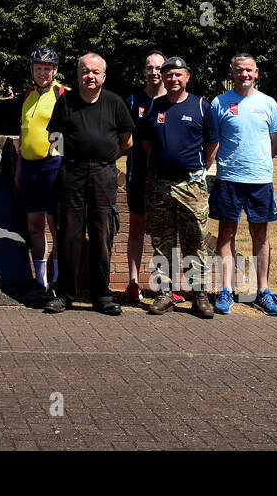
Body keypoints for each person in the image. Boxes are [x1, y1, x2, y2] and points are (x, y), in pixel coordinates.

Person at [42, 53, 134, 316]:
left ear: (103, 76)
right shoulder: (66, 102)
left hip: (104, 176)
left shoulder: (115, 103)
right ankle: (66, 294)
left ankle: (102, 295)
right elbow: (54, 137)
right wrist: (70, 160)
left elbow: (127, 141)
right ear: (78, 74)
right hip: (71, 173)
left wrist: (105, 158)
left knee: (102, 235)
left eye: (95, 72)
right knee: (69, 235)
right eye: (85, 71)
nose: (90, 76)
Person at [139, 57, 219, 318]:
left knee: (195, 241)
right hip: (161, 184)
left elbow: (212, 145)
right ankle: (164, 293)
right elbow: (147, 142)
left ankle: (199, 295)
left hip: (191, 186)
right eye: (169, 75)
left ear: (187, 77)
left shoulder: (201, 106)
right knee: (162, 241)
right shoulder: (155, 107)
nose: (173, 79)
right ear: (163, 78)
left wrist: (197, 169)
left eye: (178, 75)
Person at [209, 53, 277, 315]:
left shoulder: (268, 103)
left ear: (256, 72)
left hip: (260, 179)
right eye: (239, 70)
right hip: (229, 178)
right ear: (231, 72)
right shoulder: (219, 102)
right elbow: (213, 140)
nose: (244, 74)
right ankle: (225, 290)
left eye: (249, 70)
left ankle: (262, 291)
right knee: (226, 234)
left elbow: (276, 140)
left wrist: (259, 161)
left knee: (261, 236)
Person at [15, 47, 66, 299]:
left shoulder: (61, 93)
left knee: (55, 226)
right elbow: (25, 133)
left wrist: (59, 157)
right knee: (34, 225)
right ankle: (40, 279)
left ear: (55, 70)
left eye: (47, 68)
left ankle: (57, 280)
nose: (42, 72)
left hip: (52, 166)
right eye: (38, 68)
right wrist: (19, 166)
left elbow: (66, 130)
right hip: (29, 167)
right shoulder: (27, 94)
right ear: (32, 70)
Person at [122, 50, 167, 305]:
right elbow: (123, 138)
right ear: (143, 72)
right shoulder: (131, 101)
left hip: (166, 177)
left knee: (165, 232)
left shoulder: (174, 101)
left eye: (158, 67)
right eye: (149, 67)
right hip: (137, 174)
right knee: (137, 229)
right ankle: (133, 283)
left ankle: (165, 286)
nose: (154, 72)